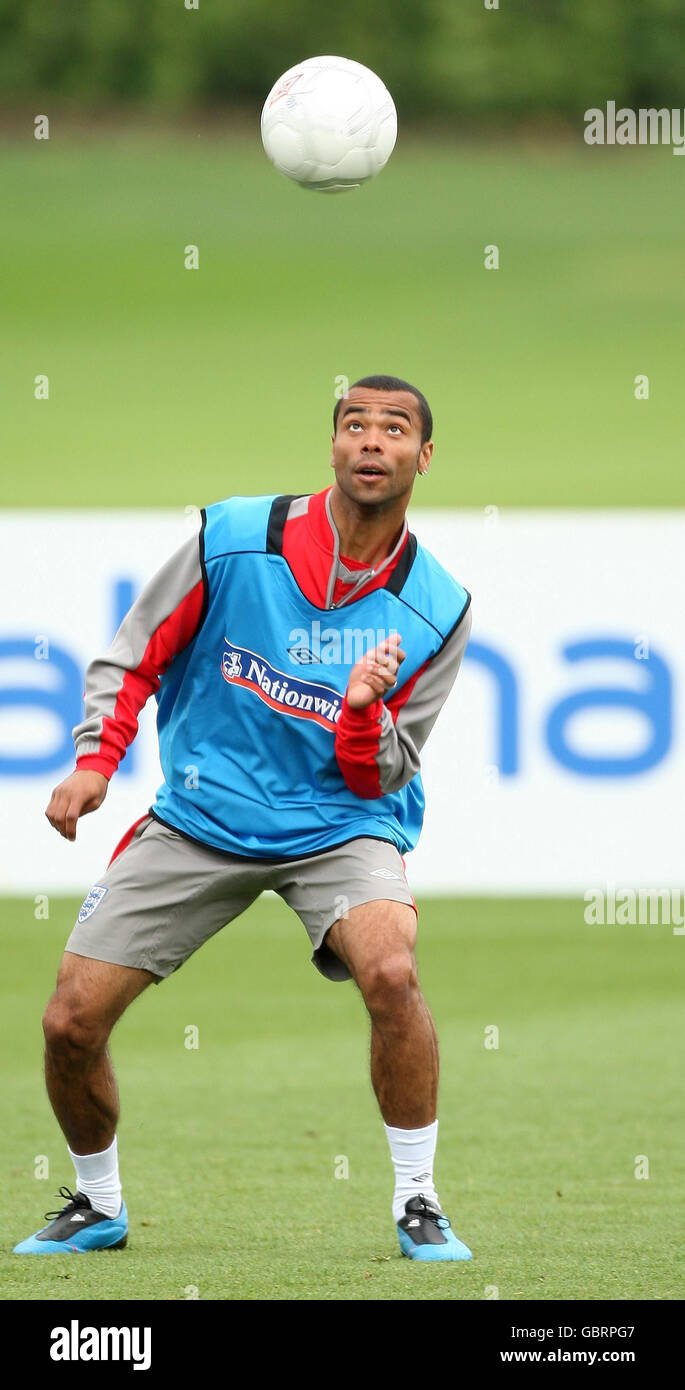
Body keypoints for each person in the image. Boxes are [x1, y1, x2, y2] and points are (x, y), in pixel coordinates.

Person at [15, 374, 473, 1262]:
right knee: (69, 1021)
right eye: (353, 424)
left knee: (391, 973)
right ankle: (98, 1205)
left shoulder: (436, 606)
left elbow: (385, 773)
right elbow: (133, 654)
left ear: (424, 456)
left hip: (340, 824)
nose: (370, 441)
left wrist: (360, 711)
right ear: (332, 445)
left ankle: (419, 1201)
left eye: (393, 428)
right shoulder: (231, 536)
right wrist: (92, 764)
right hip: (199, 815)